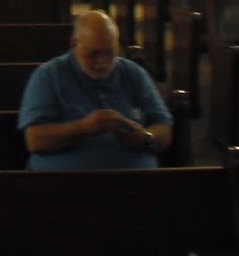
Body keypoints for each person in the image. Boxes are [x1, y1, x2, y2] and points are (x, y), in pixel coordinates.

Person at [17, 9, 173, 170]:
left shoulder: (134, 74)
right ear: (74, 44)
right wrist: (84, 128)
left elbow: (164, 127)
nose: (102, 63)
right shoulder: (48, 76)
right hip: (63, 184)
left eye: (109, 53)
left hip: (136, 181)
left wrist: (146, 139)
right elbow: (35, 140)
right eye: (94, 54)